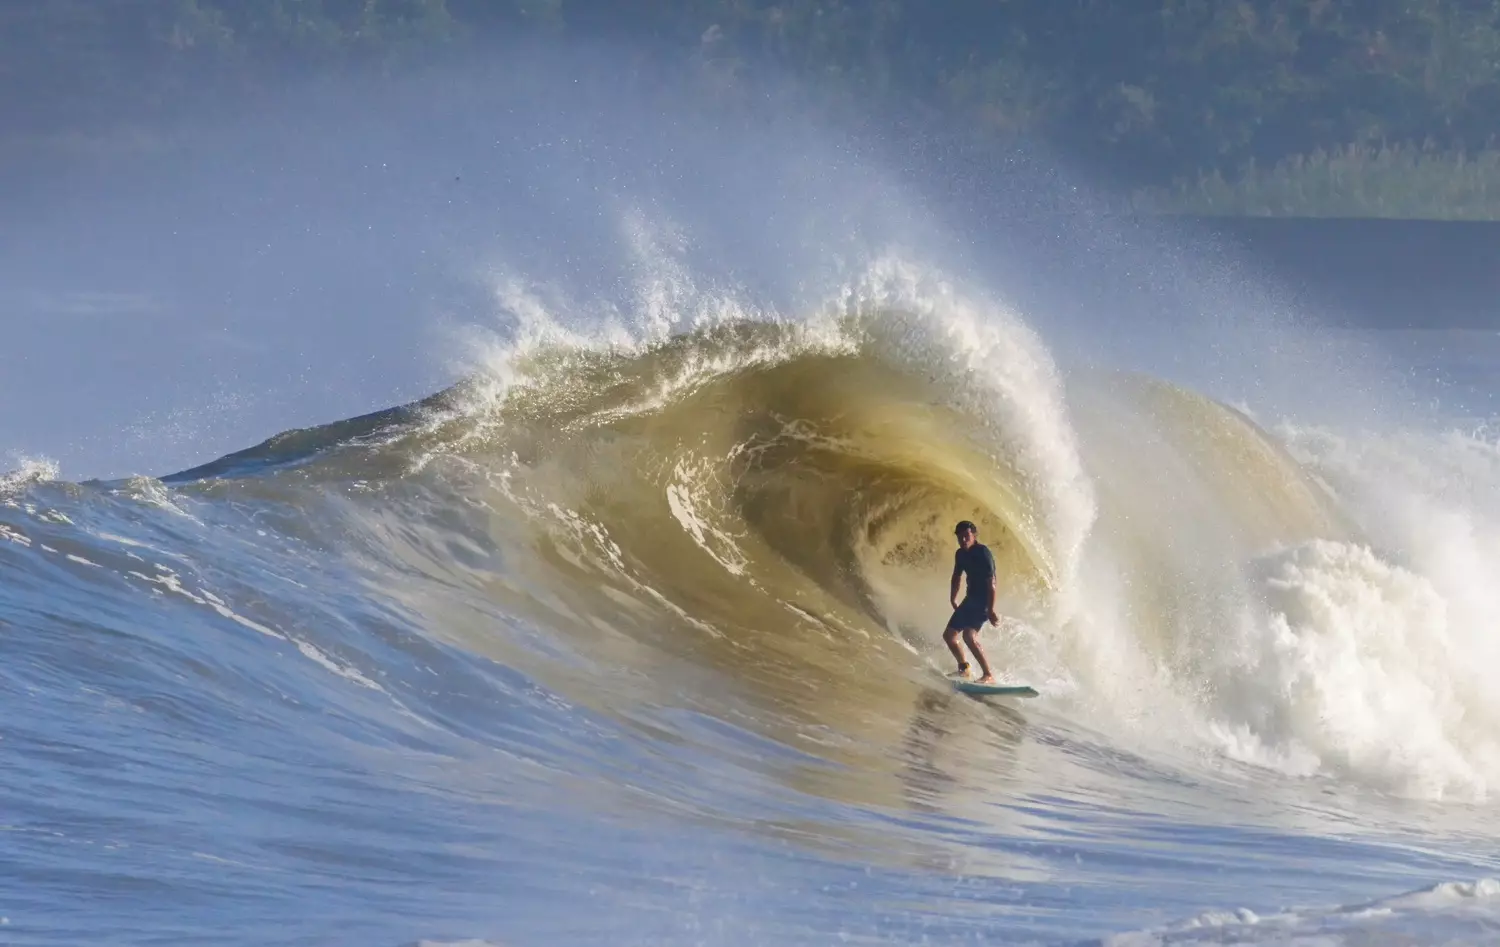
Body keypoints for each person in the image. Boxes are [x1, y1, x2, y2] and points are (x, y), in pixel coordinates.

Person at [944, 520, 1000, 683]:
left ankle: (988, 674)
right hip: (970, 599)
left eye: (966, 536)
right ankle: (964, 669)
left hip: (983, 601)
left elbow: (992, 583)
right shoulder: (960, 554)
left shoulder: (983, 553)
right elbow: (956, 577)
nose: (963, 540)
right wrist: (953, 598)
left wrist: (990, 610)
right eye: (960, 537)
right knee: (949, 635)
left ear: (974, 536)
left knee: (969, 636)